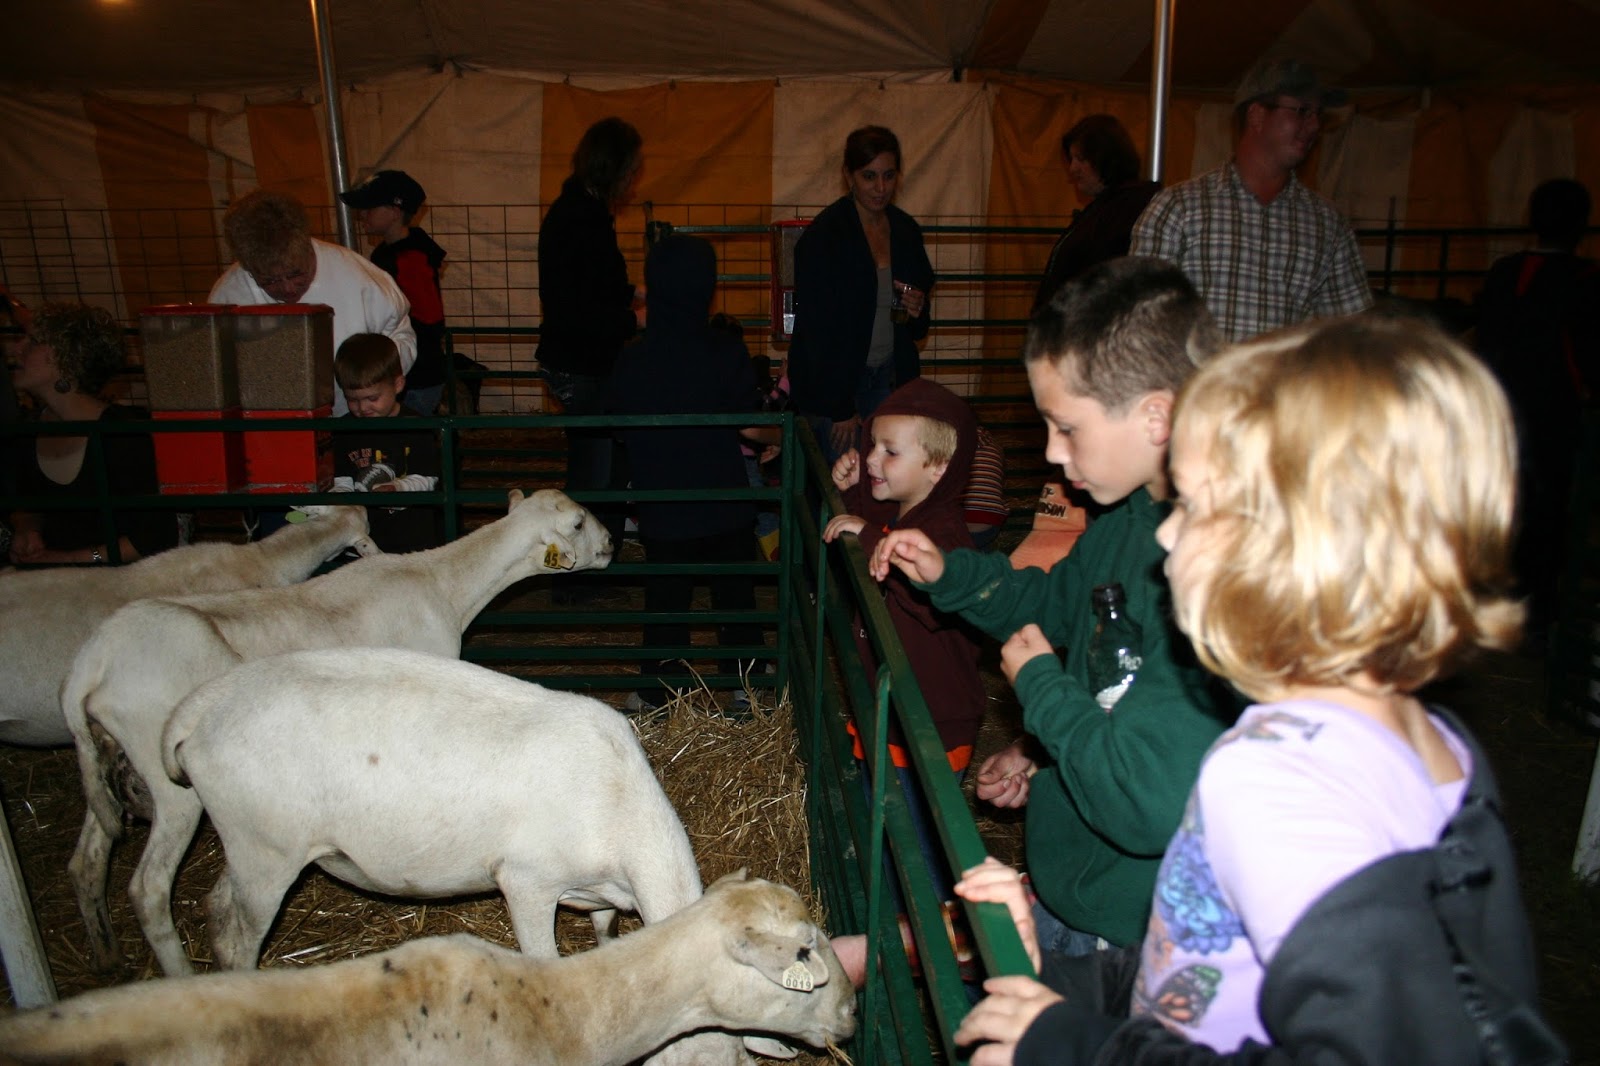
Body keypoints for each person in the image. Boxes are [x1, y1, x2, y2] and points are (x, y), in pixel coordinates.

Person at [950, 314, 1564, 1066]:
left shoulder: (1277, 785)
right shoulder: (1431, 745)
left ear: (1299, 547)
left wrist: (1069, 1043)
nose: (1166, 536)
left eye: (1195, 507)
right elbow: (1218, 984)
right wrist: (1059, 983)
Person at [868, 258, 1233, 957]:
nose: (1051, 452)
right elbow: (1057, 604)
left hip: (1141, 924)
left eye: (1067, 428)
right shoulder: (1126, 521)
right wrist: (951, 574)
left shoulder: (1208, 576)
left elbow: (1145, 800)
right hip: (1077, 873)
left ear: (1156, 417)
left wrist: (1041, 691)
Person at [823, 376, 985, 916]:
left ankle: (937, 963)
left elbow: (923, 585)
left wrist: (866, 533)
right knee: (889, 839)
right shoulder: (907, 514)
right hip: (892, 714)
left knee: (919, 856)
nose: (872, 458)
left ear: (937, 468)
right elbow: (876, 527)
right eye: (872, 444)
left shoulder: (944, 533)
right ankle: (891, 933)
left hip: (928, 728)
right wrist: (853, 495)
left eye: (889, 452)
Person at [608, 235, 762, 714]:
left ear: (653, 287)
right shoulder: (724, 350)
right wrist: (783, 438)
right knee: (735, 596)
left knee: (666, 599)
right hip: (724, 505)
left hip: (664, 508)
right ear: (706, 287)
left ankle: (658, 689)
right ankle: (746, 686)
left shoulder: (633, 356)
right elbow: (752, 422)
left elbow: (613, 423)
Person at [1131, 58, 1373, 342]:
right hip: (1197, 385)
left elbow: (1352, 332)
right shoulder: (1178, 208)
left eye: (1318, 114)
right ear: (1257, 115)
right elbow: (1140, 318)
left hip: (1282, 386)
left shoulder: (1328, 224)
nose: (1314, 125)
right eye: (1302, 111)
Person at [1475, 177, 1600, 639]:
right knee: (1548, 511)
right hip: (1553, 414)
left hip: (1498, 409)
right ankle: (1537, 615)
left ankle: (1492, 603)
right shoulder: (1586, 280)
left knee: (1501, 506)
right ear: (1583, 225)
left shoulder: (1505, 272)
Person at [790, 125, 935, 461]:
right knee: (840, 489)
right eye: (869, 176)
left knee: (886, 486)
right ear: (848, 176)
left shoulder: (906, 231)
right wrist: (840, 407)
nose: (880, 187)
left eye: (888, 175)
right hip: (837, 388)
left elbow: (917, 327)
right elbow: (815, 330)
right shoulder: (823, 238)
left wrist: (917, 308)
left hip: (891, 379)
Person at [536, 116, 645, 555]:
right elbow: (579, 307)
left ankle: (600, 555)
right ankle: (573, 571)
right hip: (582, 363)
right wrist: (634, 320)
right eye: (632, 169)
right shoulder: (582, 218)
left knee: (605, 464)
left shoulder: (581, 208)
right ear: (613, 168)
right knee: (593, 475)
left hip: (583, 359)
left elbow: (590, 282)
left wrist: (633, 291)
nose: (635, 178)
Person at [209, 189, 417, 416]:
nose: (287, 288)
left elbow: (400, 333)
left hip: (352, 420)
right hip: (269, 425)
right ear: (247, 267)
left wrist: (375, 382)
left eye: (297, 274)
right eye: (269, 281)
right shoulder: (228, 296)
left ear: (308, 247)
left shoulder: (360, 279)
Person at [6, 302, 179, 566]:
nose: (16, 349)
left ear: (67, 359)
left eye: (34, 342)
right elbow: (27, 504)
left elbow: (154, 539)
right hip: (54, 581)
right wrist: (27, 529)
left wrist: (69, 560)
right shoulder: (26, 431)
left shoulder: (123, 435)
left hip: (117, 582)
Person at [339, 169, 449, 415]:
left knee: (404, 440)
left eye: (370, 207)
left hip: (414, 375)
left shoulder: (409, 258)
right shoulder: (390, 254)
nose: (362, 214)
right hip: (405, 370)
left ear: (394, 212)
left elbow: (428, 317)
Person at [329, 333, 442, 557]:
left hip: (409, 545)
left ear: (398, 384)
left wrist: (398, 489)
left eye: (372, 398)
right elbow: (342, 479)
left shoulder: (418, 427)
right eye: (353, 399)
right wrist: (337, 498)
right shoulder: (344, 430)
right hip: (360, 547)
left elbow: (428, 479)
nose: (362, 408)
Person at [1033, 114, 1160, 313]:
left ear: (1106, 157)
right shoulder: (1104, 206)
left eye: (1081, 159)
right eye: (1072, 159)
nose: (1073, 168)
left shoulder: (1128, 207)